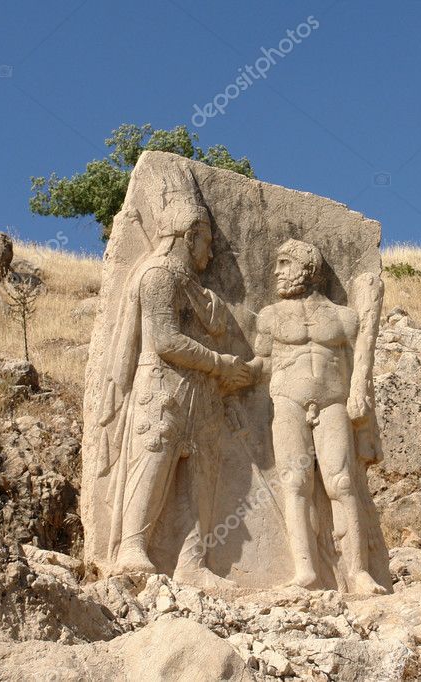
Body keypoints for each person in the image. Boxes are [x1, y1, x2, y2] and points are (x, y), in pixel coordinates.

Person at [97, 197, 250, 588]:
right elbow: (165, 339)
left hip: (201, 390)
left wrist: (228, 382)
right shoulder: (158, 276)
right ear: (190, 235)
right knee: (153, 460)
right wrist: (220, 363)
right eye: (207, 242)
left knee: (204, 473)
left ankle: (192, 562)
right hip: (162, 384)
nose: (210, 253)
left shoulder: (195, 288)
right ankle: (132, 547)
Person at [252, 238, 387, 595]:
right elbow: (261, 365)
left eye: (285, 263)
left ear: (308, 268)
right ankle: (305, 570)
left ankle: (358, 572)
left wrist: (362, 406)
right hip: (287, 402)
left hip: (332, 403)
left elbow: (361, 365)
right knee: (295, 483)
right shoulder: (270, 316)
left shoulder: (344, 317)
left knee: (342, 483)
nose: (277, 272)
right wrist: (224, 371)